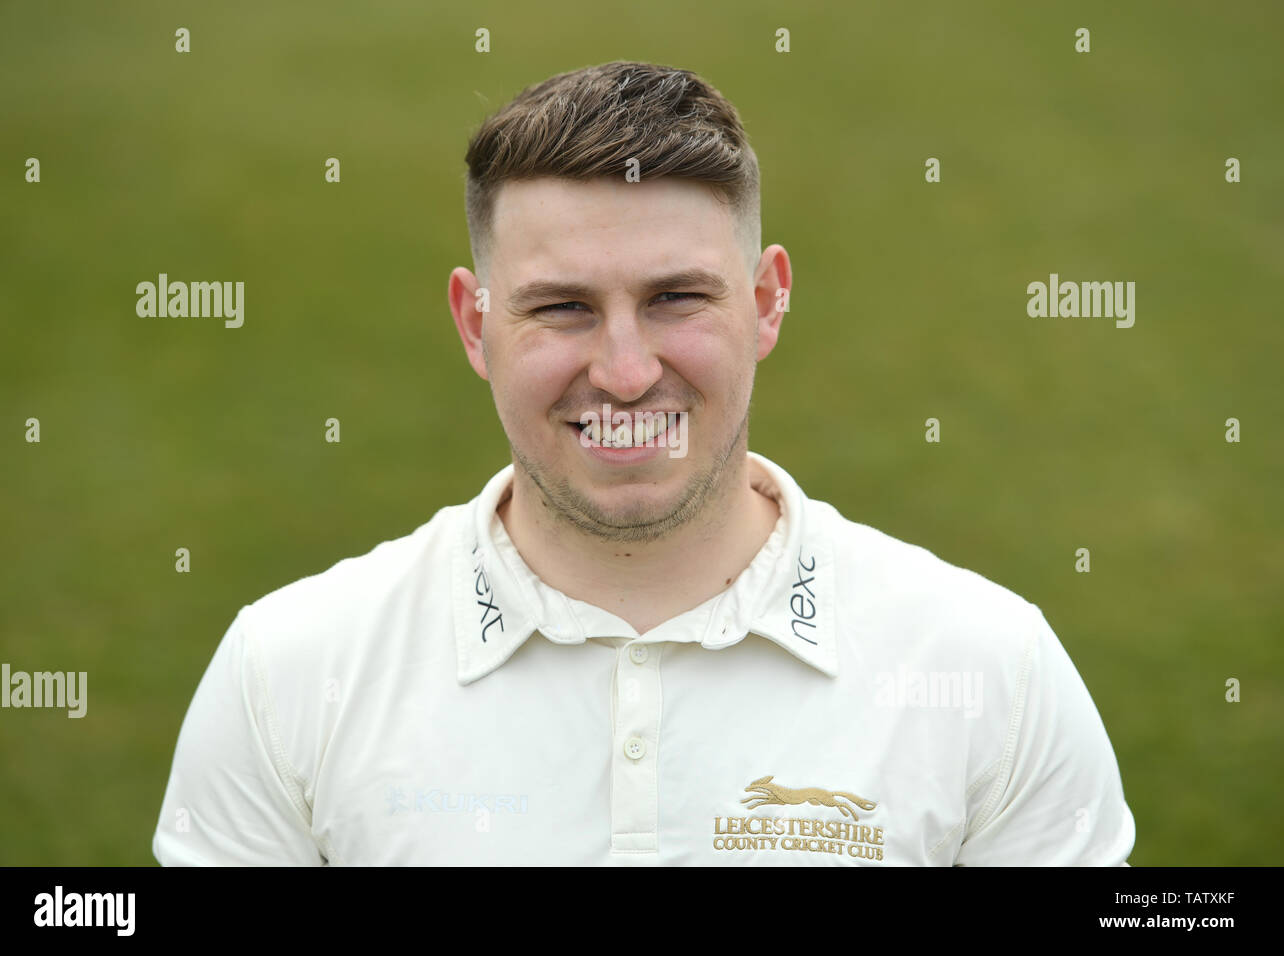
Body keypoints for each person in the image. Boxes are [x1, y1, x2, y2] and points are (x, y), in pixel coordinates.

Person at [152, 60, 1135, 865]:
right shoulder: (286, 672)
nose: (625, 373)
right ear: (473, 320)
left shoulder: (990, 667)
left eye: (675, 298)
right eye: (563, 307)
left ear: (766, 300)